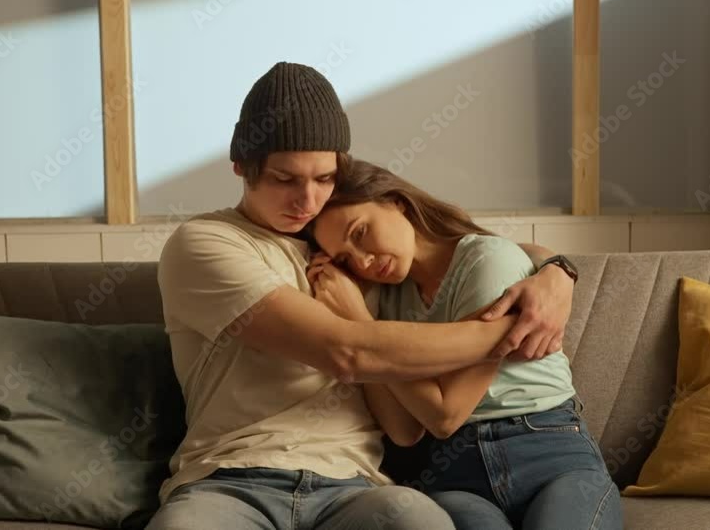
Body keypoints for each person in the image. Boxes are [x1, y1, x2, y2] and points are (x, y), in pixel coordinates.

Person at [148, 61, 577, 530]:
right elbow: (346, 351)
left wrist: (557, 273)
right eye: (285, 179)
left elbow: (474, 249)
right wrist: (514, 325)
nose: (307, 201)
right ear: (241, 166)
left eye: (325, 178)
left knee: (424, 524)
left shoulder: (349, 254)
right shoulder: (207, 243)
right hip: (230, 480)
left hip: (353, 487)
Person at [306, 159, 623, 530]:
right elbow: (404, 431)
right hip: (456, 475)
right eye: (346, 258)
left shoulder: (487, 259)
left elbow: (445, 415)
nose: (363, 260)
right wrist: (360, 326)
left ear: (396, 202)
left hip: (548, 452)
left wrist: (360, 326)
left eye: (360, 233)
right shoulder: (390, 302)